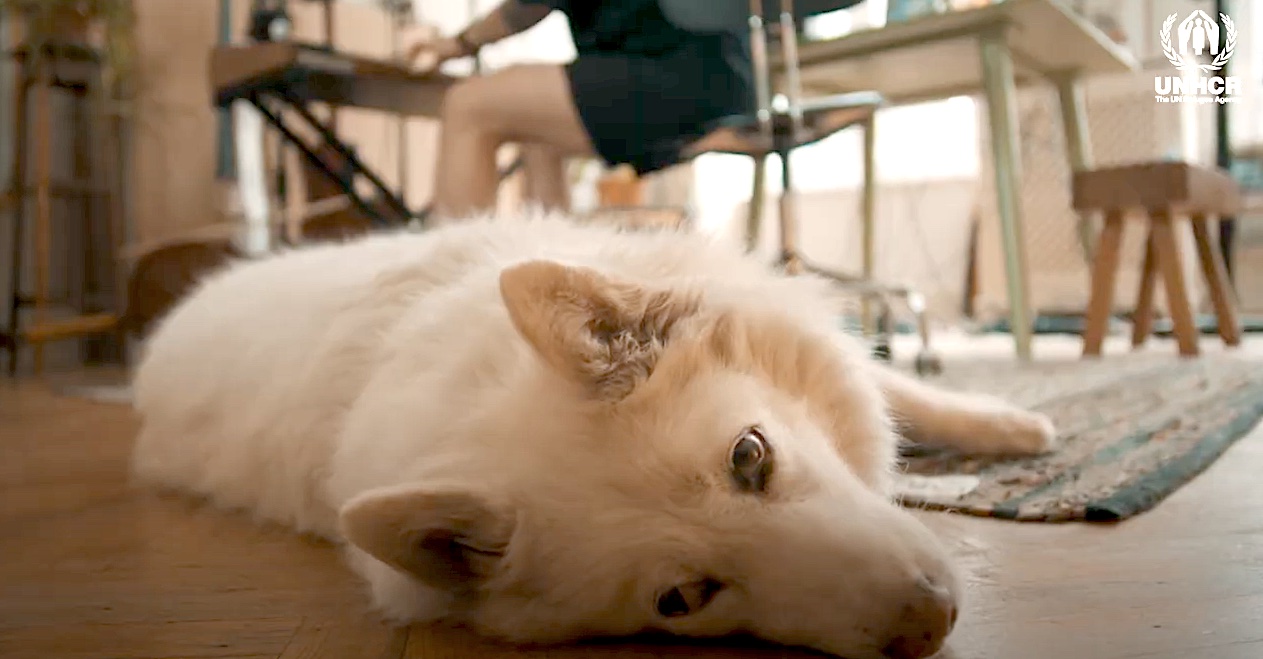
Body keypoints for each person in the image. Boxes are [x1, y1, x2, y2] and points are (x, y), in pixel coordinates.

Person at [409, 0, 755, 219]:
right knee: (538, 133)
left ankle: (450, 283)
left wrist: (457, 45)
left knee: (468, 105)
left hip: (674, 71)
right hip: (726, 77)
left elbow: (524, 9)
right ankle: (546, 285)